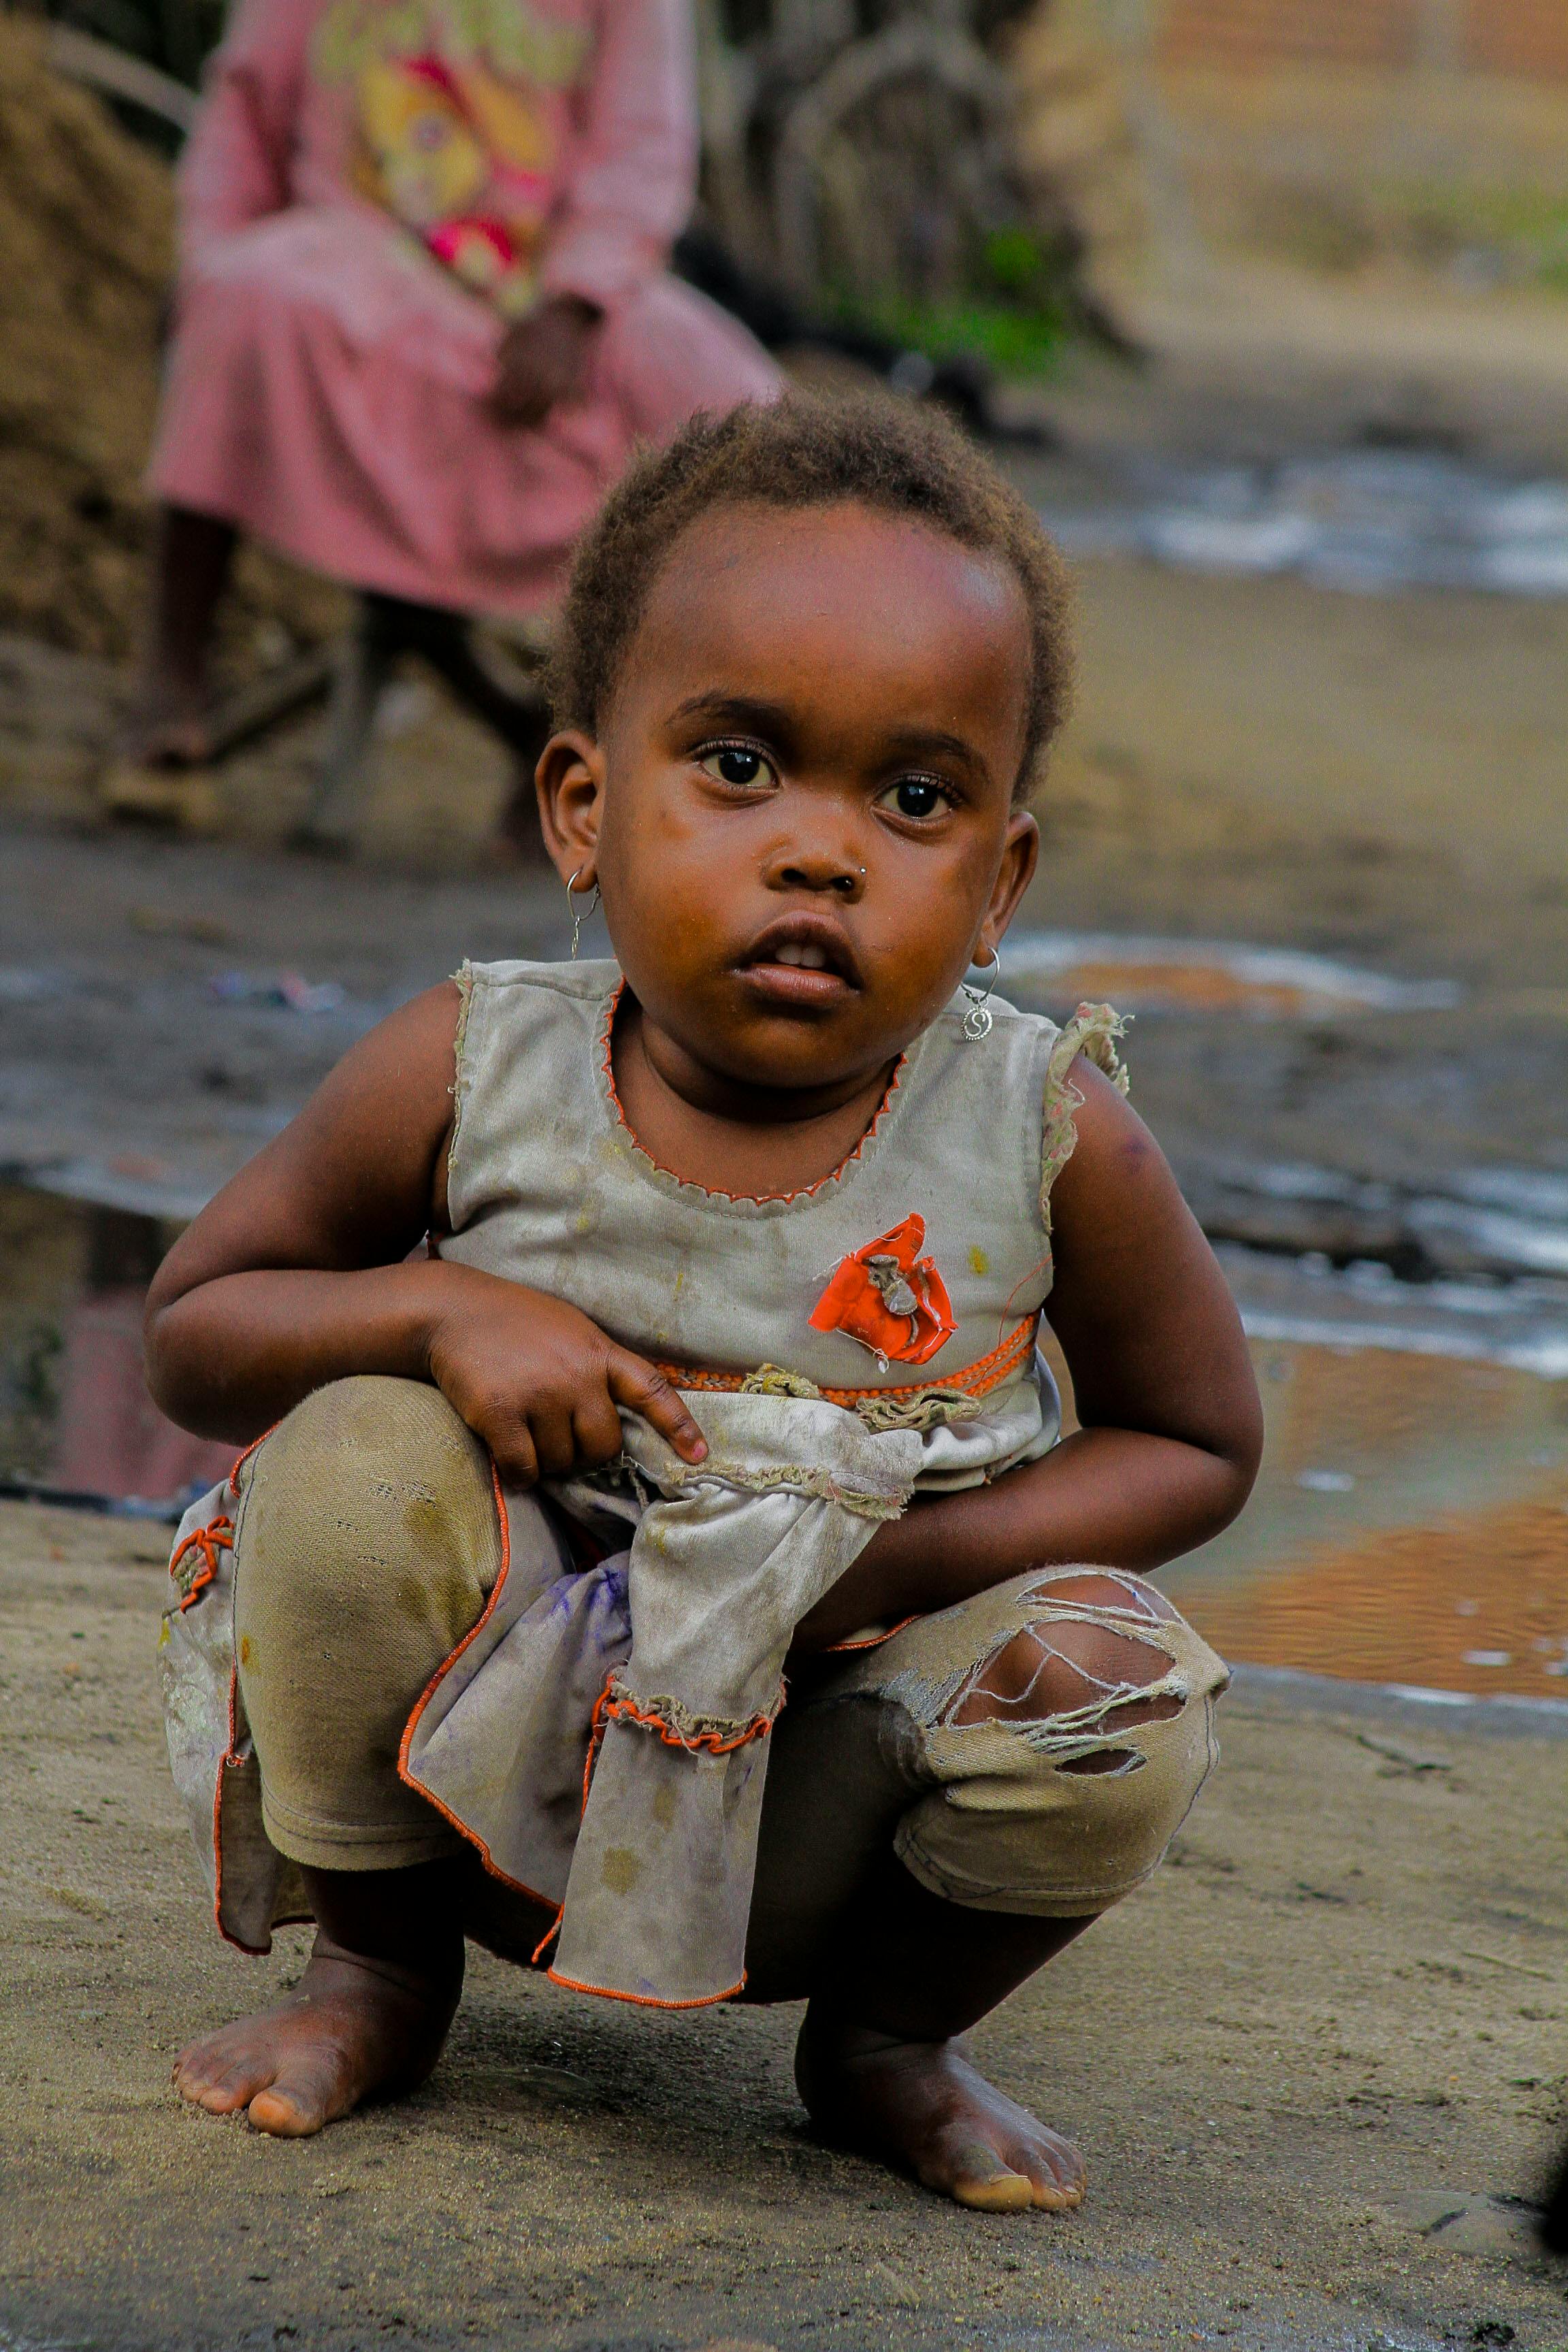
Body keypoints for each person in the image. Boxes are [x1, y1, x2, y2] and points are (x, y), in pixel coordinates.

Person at [145, 393, 1262, 2213]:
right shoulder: (478, 1062)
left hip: (808, 1779)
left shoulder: (1046, 1132)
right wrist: (433, 1319)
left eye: (914, 799)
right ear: (584, 807)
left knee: (1116, 1684)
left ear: (1000, 883)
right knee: (347, 1460)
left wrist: (894, 1570)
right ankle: (376, 1971)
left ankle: (887, 2043)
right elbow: (199, 1326)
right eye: (740, 767)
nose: (820, 851)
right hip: (471, 1736)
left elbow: (1201, 1441)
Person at [118, 0, 781, 807]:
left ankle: (599, 730)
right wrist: (206, 256)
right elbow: (242, 112)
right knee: (242, 294)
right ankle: (172, 675)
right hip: (360, 255)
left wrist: (574, 305)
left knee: (738, 411)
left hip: (554, 278)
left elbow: (640, 149)